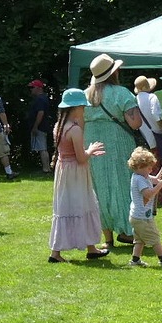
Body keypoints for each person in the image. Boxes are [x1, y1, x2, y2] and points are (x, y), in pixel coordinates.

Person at [84, 56, 143, 246]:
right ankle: (128, 231)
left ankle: (107, 238)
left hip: (93, 144)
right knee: (124, 186)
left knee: (99, 188)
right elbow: (136, 123)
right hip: (118, 144)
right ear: (114, 72)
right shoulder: (122, 93)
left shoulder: (85, 95)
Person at [49, 87, 108, 263]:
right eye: (82, 106)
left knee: (66, 207)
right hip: (75, 172)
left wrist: (86, 152)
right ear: (75, 108)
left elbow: (68, 152)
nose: (84, 109)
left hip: (64, 170)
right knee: (82, 205)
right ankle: (62, 252)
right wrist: (90, 150)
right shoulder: (74, 130)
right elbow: (81, 158)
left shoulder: (59, 126)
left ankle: (85, 248)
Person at [125, 146, 162, 268]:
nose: (151, 170)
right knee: (154, 237)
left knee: (139, 240)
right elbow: (148, 193)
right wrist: (159, 187)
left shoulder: (144, 176)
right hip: (142, 217)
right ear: (139, 167)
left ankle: (135, 260)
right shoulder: (139, 180)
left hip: (137, 216)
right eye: (149, 168)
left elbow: (157, 179)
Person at [24, 79, 57, 173]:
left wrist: (35, 126)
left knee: (42, 148)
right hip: (43, 126)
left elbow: (40, 113)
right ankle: (46, 167)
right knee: (42, 147)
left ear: (39, 88)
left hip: (40, 127)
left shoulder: (40, 99)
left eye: (32, 87)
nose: (30, 89)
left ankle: (46, 168)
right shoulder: (44, 98)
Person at [133, 75, 161, 149]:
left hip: (144, 138)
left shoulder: (134, 100)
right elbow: (155, 114)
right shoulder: (152, 97)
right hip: (157, 135)